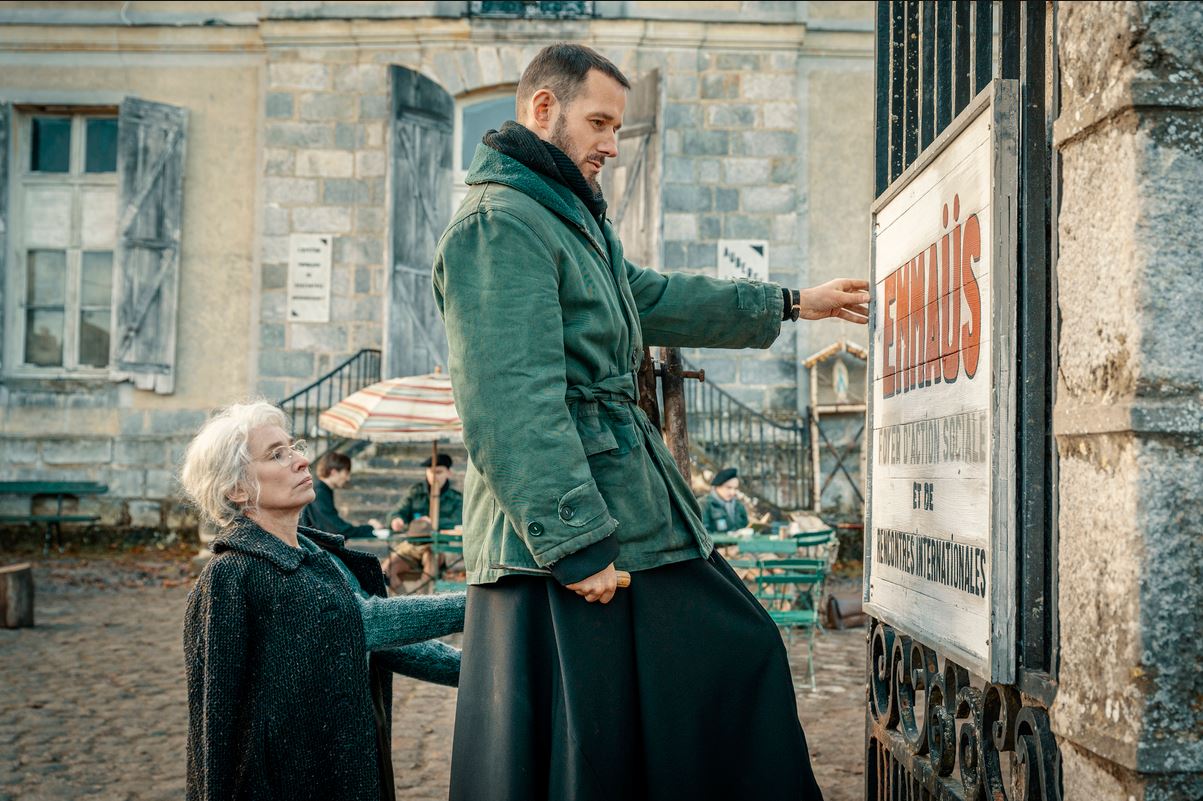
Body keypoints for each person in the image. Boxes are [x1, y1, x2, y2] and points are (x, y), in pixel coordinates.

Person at [433, 42, 868, 801]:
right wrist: (575, 545)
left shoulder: (567, 222)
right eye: (598, 122)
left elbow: (657, 295)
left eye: (616, 125)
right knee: (601, 740)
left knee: (710, 679)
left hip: (629, 509)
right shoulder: (498, 225)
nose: (610, 142)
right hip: (565, 539)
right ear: (543, 109)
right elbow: (508, 400)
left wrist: (795, 301)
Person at [179, 401, 466, 801]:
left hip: (342, 767)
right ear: (237, 488)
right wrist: (480, 602)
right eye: (277, 454)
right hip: (282, 782)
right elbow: (367, 622)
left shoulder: (318, 556)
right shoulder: (236, 573)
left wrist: (474, 670)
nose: (300, 460)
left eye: (294, 446)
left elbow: (375, 642)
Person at [382, 454, 464, 588]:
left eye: (439, 472)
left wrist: (431, 523)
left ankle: (422, 603)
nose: (434, 476)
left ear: (448, 473)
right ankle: (401, 603)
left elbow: (457, 521)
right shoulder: (415, 492)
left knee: (430, 568)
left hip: (439, 545)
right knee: (385, 570)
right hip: (413, 545)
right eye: (431, 472)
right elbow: (397, 512)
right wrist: (396, 520)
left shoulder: (456, 499)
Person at [299, 450, 382, 538]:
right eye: (346, 473)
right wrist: (370, 528)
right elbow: (337, 530)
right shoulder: (320, 493)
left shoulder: (321, 491)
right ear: (334, 472)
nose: (348, 478)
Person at [701, 467, 750, 534]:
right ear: (718, 486)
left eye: (735, 488)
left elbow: (745, 526)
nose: (732, 492)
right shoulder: (704, 505)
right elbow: (702, 534)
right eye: (728, 488)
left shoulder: (739, 505)